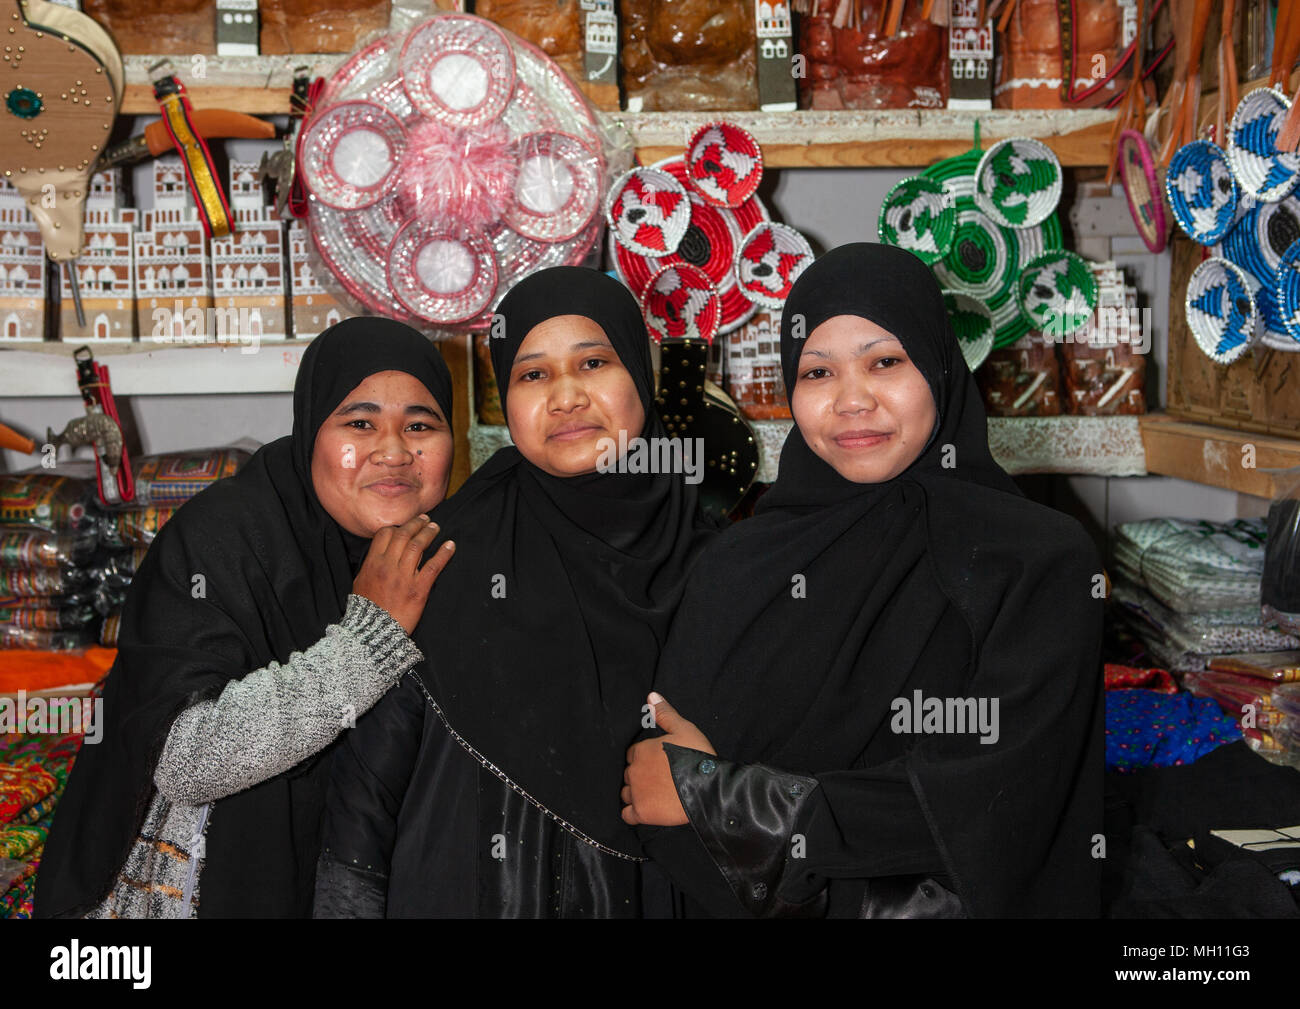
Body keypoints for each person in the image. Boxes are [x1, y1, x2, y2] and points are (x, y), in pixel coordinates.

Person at [622, 242, 1104, 918]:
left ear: (937, 366)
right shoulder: (738, 565)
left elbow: (996, 801)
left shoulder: (1038, 561)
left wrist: (727, 801)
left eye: (885, 361)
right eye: (818, 372)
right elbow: (657, 795)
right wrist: (710, 798)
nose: (852, 400)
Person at [314, 267, 713, 918]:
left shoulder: (722, 571)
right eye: (533, 374)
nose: (565, 397)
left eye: (592, 361)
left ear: (641, 373)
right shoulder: (438, 557)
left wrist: (716, 790)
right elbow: (360, 812)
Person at [35, 318, 457, 918]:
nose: (393, 452)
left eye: (420, 426)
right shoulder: (222, 542)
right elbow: (186, 759)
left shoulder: (443, 550)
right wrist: (369, 642)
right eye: (359, 423)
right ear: (311, 429)